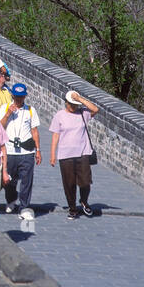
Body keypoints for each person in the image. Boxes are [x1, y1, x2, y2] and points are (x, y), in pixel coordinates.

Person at [49, 90, 101, 219]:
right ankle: (72, 208)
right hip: (65, 154)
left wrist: (80, 99)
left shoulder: (83, 113)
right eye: (71, 104)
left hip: (83, 152)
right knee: (69, 183)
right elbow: (55, 135)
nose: (73, 107)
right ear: (66, 103)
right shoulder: (59, 115)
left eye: (75, 104)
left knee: (85, 181)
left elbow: (96, 109)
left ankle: (84, 201)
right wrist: (52, 155)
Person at [2, 83, 40, 214]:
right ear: (12, 95)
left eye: (21, 97)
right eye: (17, 97)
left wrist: (38, 150)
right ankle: (11, 200)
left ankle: (24, 206)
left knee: (26, 180)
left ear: (25, 96)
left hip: (26, 151)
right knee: (8, 181)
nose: (19, 100)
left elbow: (34, 131)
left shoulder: (31, 110)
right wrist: (7, 114)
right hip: (9, 150)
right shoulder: (5, 107)